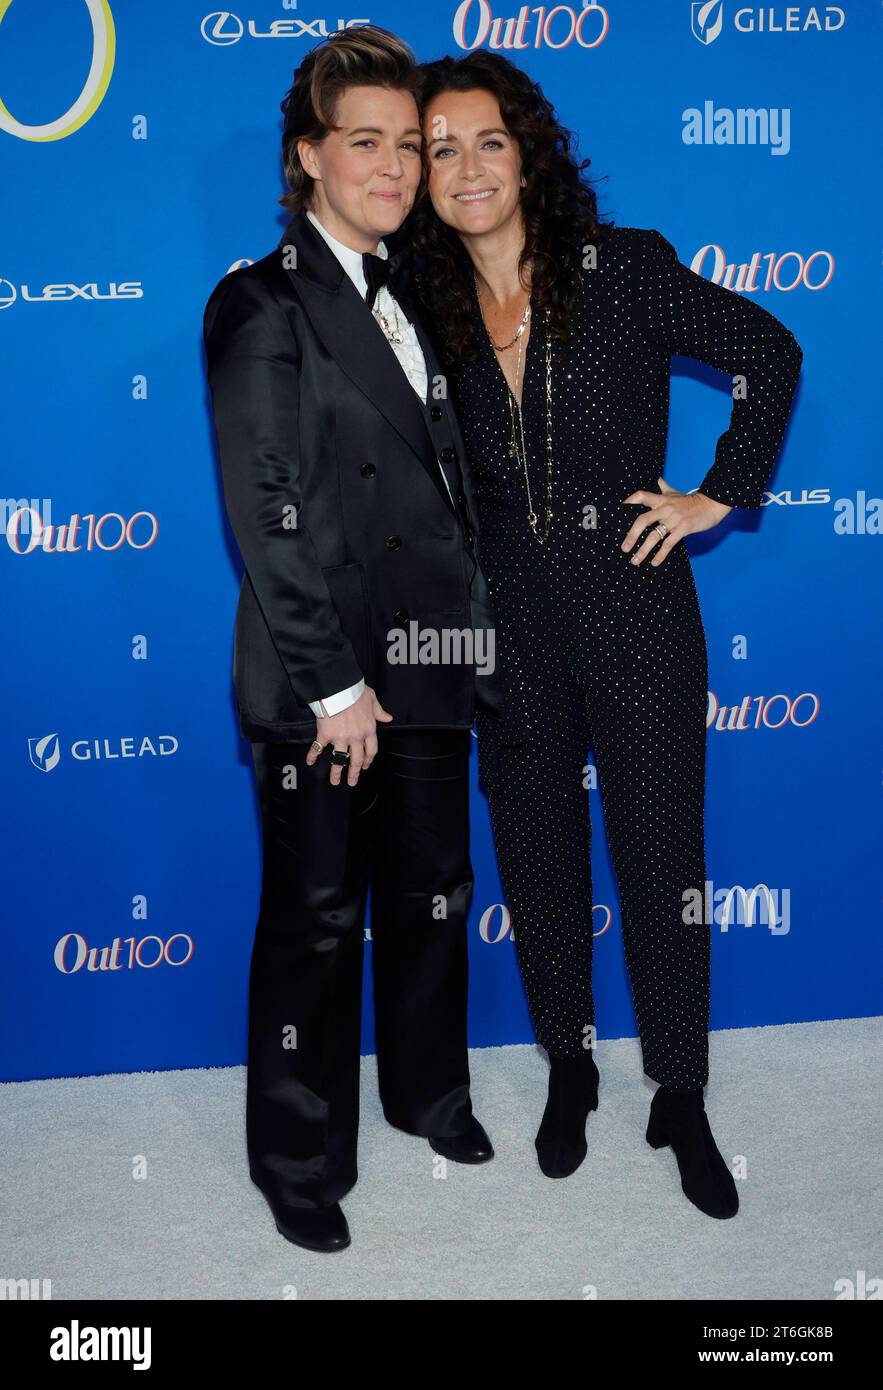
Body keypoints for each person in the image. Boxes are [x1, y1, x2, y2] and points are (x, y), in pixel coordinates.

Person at [413, 51, 803, 1219]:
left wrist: (714, 494)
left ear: (527, 152)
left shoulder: (619, 268)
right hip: (507, 625)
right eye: (441, 148)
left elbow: (768, 354)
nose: (466, 167)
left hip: (635, 604)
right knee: (534, 856)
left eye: (488, 140)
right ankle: (570, 1069)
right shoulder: (424, 303)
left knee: (659, 861)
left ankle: (677, 1093)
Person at [203, 28, 502, 1254]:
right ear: (308, 159)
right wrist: (334, 688)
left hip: (432, 655)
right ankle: (299, 1156)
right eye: (364, 143)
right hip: (325, 677)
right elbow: (266, 506)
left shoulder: (421, 288)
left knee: (433, 893)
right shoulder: (259, 299)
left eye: (404, 145)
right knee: (318, 916)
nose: (391, 167)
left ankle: (428, 1092)